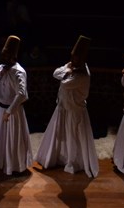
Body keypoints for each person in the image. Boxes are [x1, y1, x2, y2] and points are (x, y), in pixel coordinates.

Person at [35, 35, 98, 176]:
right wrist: (67, 70)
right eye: (72, 57)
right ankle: (56, 157)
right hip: (63, 107)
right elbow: (55, 73)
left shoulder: (82, 75)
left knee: (73, 137)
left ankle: (73, 162)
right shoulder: (72, 67)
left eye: (75, 58)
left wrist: (67, 71)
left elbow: (64, 83)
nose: (72, 60)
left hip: (74, 111)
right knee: (58, 135)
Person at [0, 35, 32, 174]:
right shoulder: (2, 68)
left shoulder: (19, 72)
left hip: (12, 111)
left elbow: (22, 94)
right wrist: (0, 72)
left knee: (13, 139)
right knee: (0, 137)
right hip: (0, 108)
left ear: (13, 56)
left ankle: (13, 164)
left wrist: (9, 111)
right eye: (3, 54)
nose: (4, 57)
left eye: (6, 55)